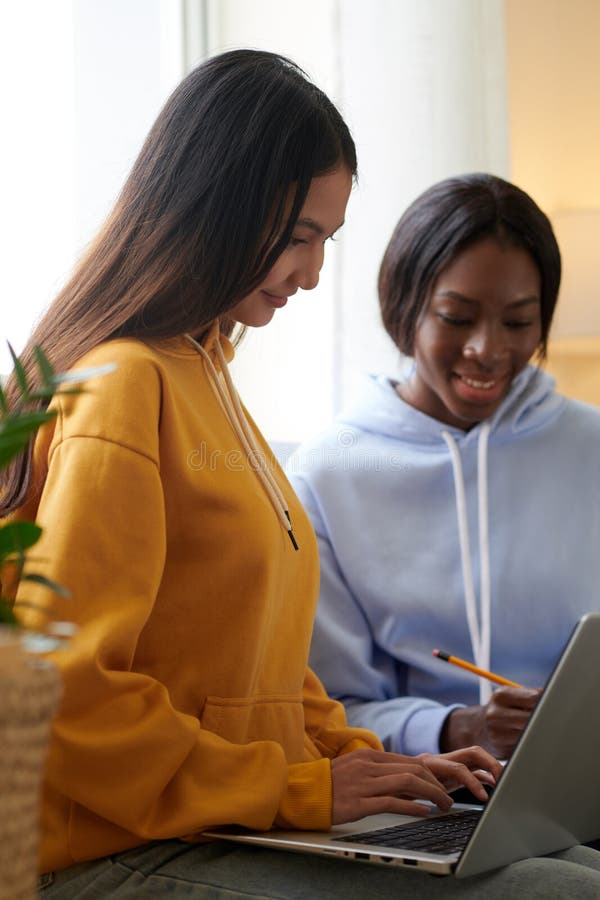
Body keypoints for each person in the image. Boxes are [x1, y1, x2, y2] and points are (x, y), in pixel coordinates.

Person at [3, 55, 600, 898]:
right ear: (221, 207)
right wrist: (303, 789)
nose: (315, 273)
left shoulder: (208, 375)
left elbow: (266, 680)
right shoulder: (125, 387)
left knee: (576, 868)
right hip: (107, 844)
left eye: (327, 239)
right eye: (299, 237)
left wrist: (378, 766)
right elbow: (65, 693)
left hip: (220, 815)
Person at [289, 172, 600, 763]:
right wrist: (458, 729)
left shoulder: (592, 446)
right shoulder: (329, 476)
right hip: (433, 799)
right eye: (457, 317)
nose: (488, 349)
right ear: (404, 307)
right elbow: (329, 711)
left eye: (518, 322)